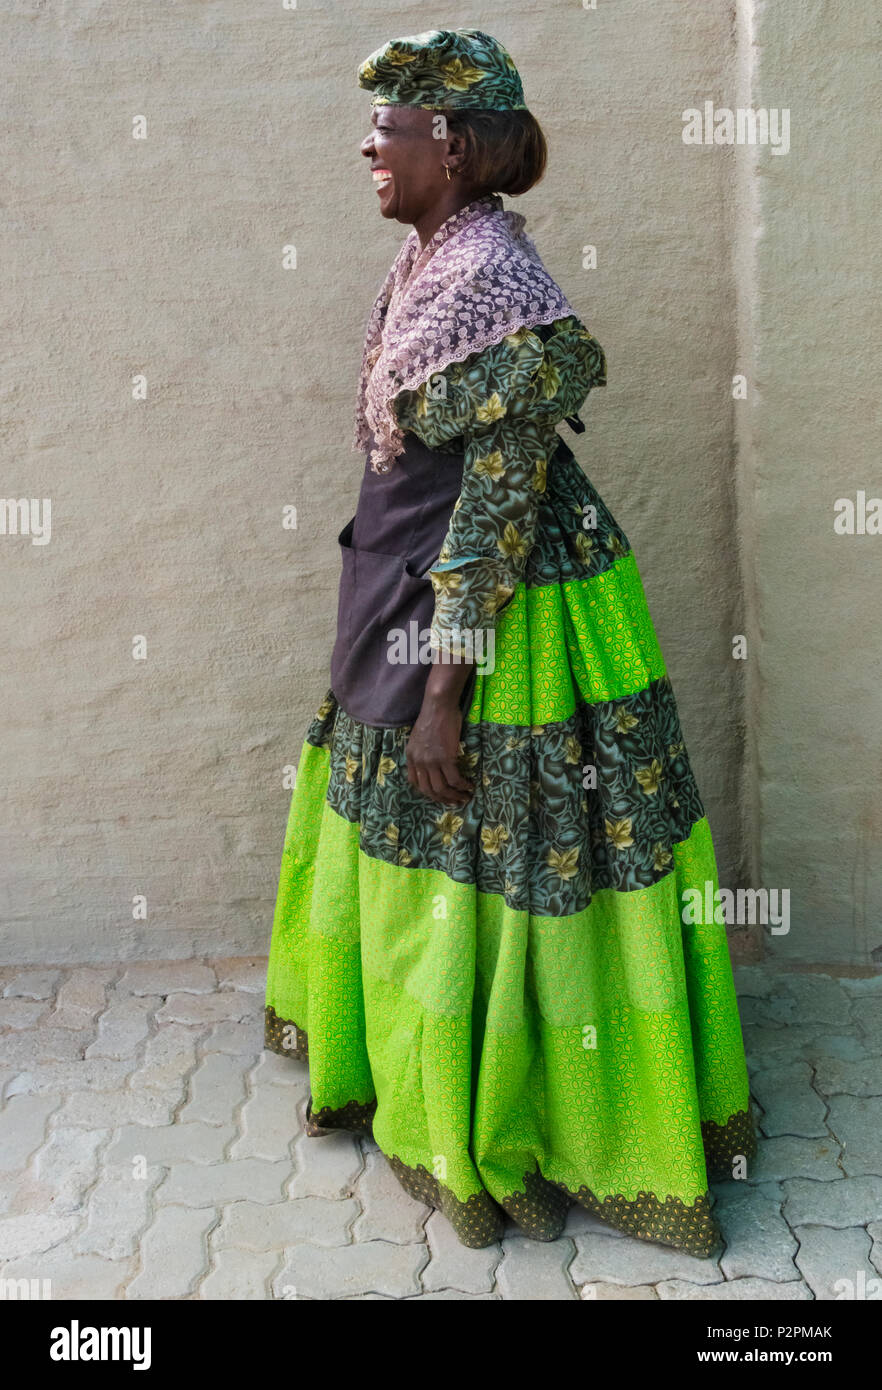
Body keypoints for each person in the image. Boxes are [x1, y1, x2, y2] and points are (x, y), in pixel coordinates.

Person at [265, 27, 756, 1255]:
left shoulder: (498, 293)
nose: (368, 145)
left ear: (452, 144)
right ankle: (416, 1065)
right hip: (404, 586)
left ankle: (514, 1109)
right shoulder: (437, 260)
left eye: (389, 129)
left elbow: (492, 516)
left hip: (491, 622)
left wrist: (446, 697)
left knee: (502, 839)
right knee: (431, 851)